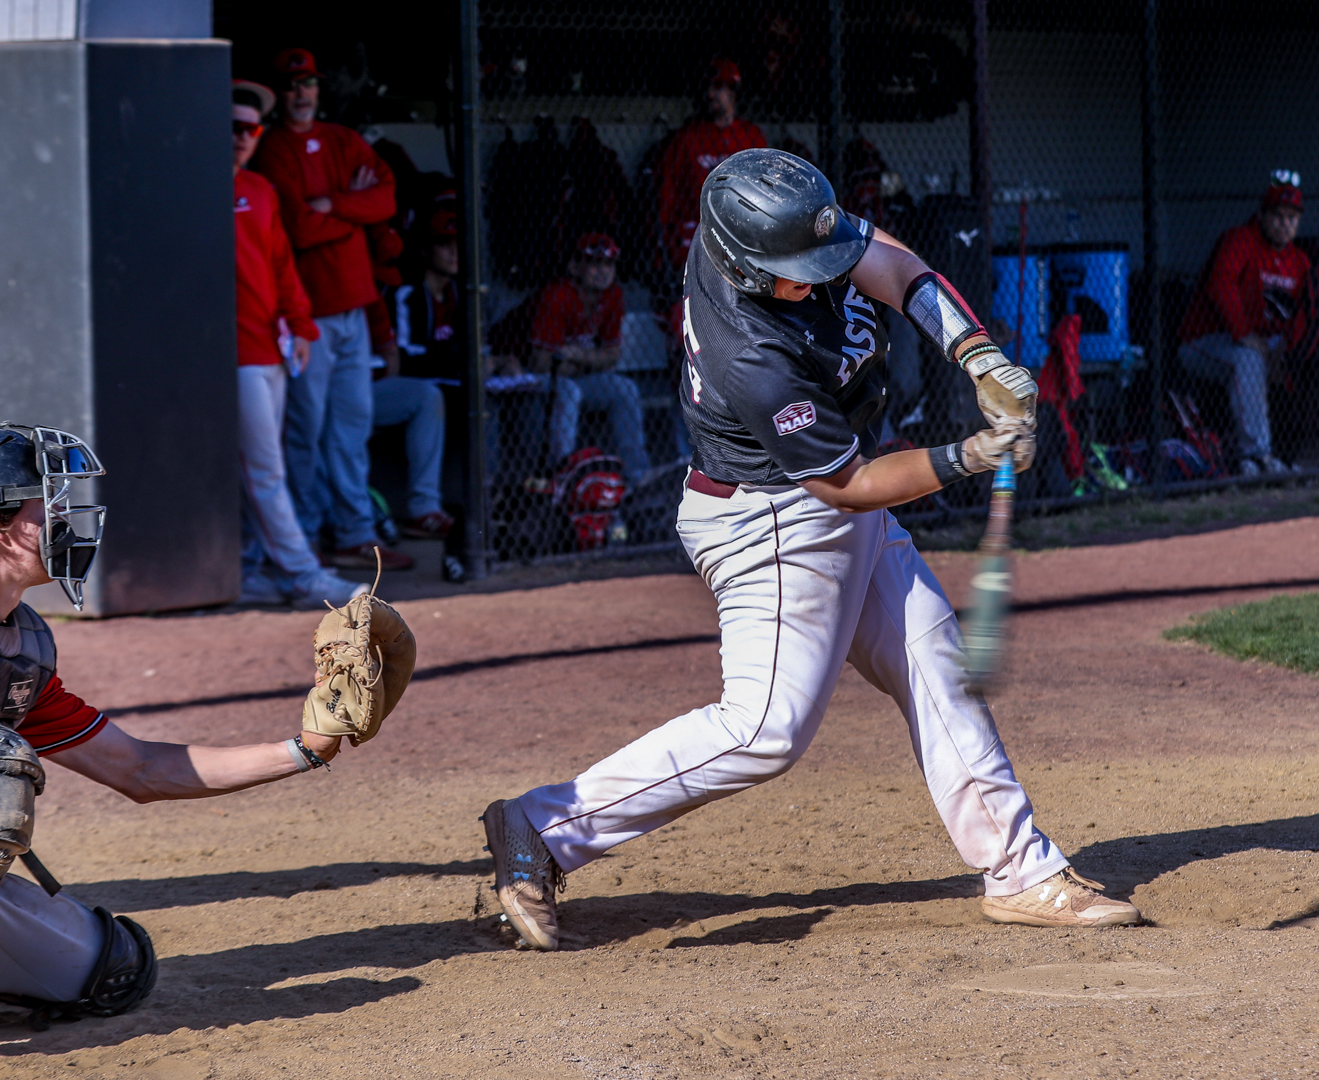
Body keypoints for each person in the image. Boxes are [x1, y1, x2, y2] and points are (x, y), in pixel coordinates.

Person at [481, 149, 1139, 952]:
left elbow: (894, 269)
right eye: (797, 271)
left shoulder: (771, 220)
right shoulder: (750, 352)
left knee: (932, 656)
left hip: (816, 498)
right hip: (776, 522)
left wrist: (977, 355)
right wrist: (968, 456)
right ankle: (542, 828)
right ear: (745, 265)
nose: (818, 276)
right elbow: (850, 483)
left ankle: (1021, 871)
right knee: (764, 729)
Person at [0, 425, 390, 1078]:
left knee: (113, 971)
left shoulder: (9, 647)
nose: (65, 517)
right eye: (46, 503)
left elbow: (139, 768)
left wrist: (306, 749)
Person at [250, 48, 413, 572]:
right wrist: (353, 211)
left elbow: (386, 200)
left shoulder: (344, 140)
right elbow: (297, 228)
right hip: (310, 314)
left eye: (310, 83)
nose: (303, 93)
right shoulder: (273, 148)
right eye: (293, 85)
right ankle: (308, 530)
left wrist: (335, 205)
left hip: (354, 309)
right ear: (281, 97)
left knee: (350, 425)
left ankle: (354, 532)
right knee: (305, 429)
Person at [231, 79, 370, 608]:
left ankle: (248, 570)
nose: (242, 137)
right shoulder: (192, 187)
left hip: (273, 349)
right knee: (263, 468)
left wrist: (303, 325)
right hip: (234, 356)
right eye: (232, 127)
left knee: (261, 467)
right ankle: (304, 573)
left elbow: (282, 267)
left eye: (250, 128)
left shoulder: (261, 191)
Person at [1178, 171, 1319, 473]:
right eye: (1277, 216)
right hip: (1206, 342)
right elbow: (1220, 286)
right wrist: (1244, 333)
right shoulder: (1239, 240)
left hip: (1265, 344)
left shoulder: (1300, 261)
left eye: (1292, 217)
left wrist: (1290, 351)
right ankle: (1257, 456)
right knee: (1247, 359)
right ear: (1262, 215)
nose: (1285, 224)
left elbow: (1305, 320)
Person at [529, 233, 651, 485]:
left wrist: (575, 356)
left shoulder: (612, 295)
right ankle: (562, 478)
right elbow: (540, 363)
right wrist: (589, 360)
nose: (603, 271)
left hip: (573, 375)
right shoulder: (557, 295)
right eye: (595, 264)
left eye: (609, 264)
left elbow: (612, 357)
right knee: (569, 391)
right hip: (526, 375)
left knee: (625, 389)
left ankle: (639, 476)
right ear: (575, 266)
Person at [655, 60, 768, 271]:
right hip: (697, 230)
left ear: (733, 91)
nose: (710, 94)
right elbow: (667, 199)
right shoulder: (686, 139)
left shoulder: (751, 137)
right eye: (707, 87)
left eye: (718, 87)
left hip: (742, 230)